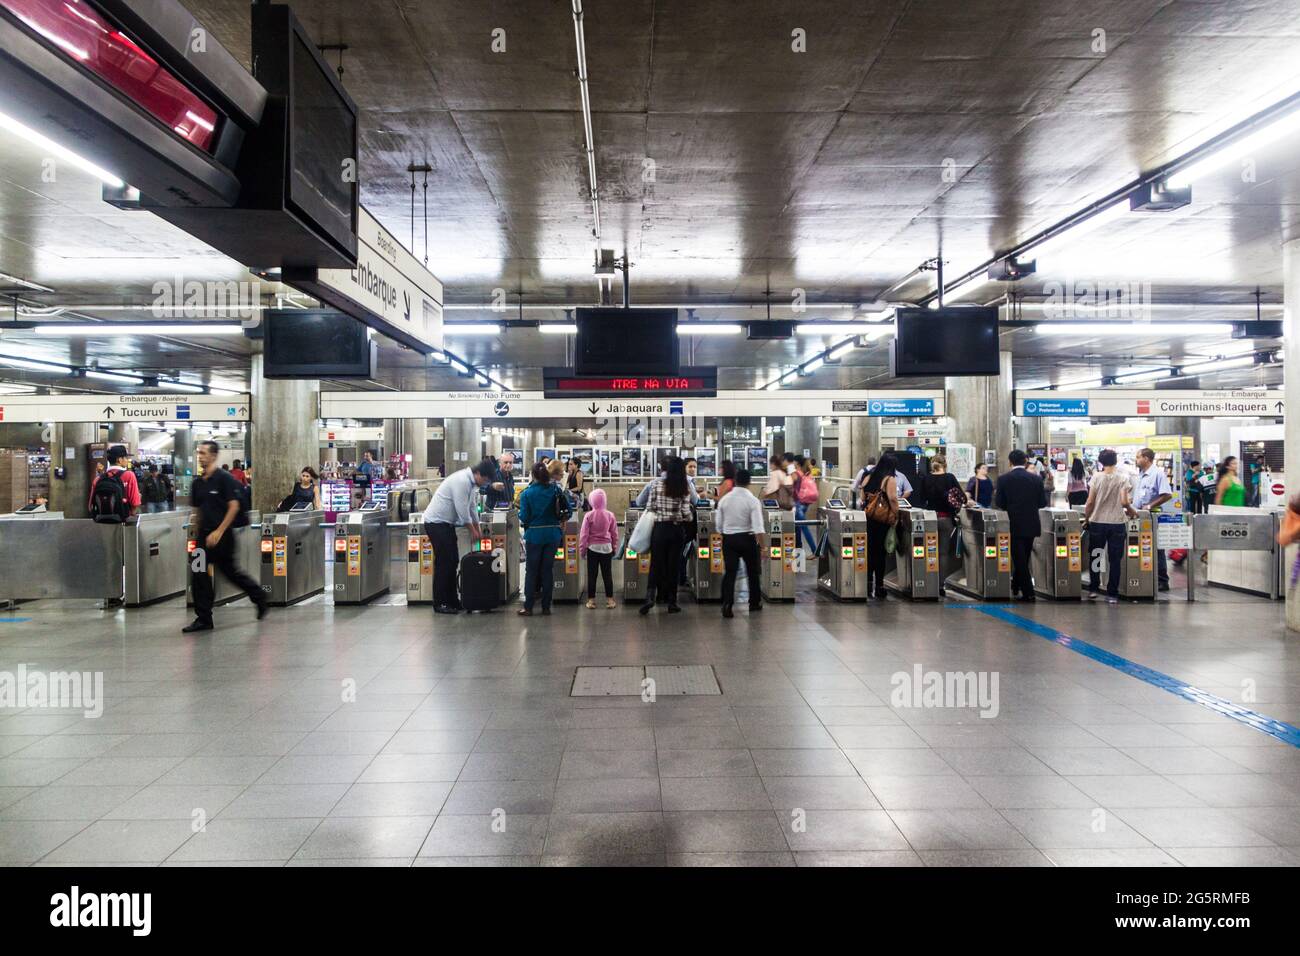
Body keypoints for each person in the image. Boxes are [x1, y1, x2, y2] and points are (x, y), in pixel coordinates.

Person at [183, 439, 266, 633]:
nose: (200, 456)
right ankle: (203, 618)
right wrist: (195, 534)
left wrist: (219, 531)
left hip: (223, 537)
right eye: (199, 453)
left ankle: (258, 596)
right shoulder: (197, 483)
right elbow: (197, 510)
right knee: (198, 575)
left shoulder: (224, 479)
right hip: (203, 538)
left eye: (203, 453)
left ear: (213, 456)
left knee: (230, 573)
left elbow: (234, 506)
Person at [421, 458, 493, 614]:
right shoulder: (462, 481)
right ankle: (440, 603)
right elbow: (462, 511)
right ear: (478, 473)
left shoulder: (472, 484)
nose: (485, 483)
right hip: (436, 523)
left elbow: (472, 507)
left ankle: (453, 600)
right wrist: (472, 530)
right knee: (444, 563)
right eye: (485, 480)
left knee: (453, 561)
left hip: (446, 525)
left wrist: (478, 526)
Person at [639, 456, 693, 615]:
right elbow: (686, 513)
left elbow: (650, 507)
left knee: (655, 564)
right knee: (673, 567)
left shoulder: (656, 484)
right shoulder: (684, 486)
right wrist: (687, 517)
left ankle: (650, 597)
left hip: (659, 530)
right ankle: (672, 602)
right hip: (676, 531)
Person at [1083, 449, 1138, 604]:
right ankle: (1112, 594)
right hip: (1117, 523)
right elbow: (1125, 502)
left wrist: (1087, 518)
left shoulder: (1096, 477)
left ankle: (1093, 589)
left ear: (1101, 462)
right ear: (1115, 461)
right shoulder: (1123, 478)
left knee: (1096, 555)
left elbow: (1090, 502)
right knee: (1115, 560)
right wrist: (1133, 512)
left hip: (1098, 522)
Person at [994, 449, 1048, 602]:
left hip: (1013, 523)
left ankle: (1028, 592)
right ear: (1025, 462)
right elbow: (1042, 503)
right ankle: (1016, 585)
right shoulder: (1036, 479)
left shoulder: (1003, 479)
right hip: (1031, 523)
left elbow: (1000, 503)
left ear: (1010, 462)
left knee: (1019, 559)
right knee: (1023, 557)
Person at [517, 461, 565, 616]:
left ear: (533, 475)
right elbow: (568, 511)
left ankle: (529, 607)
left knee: (531, 571)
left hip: (534, 535)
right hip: (553, 535)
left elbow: (524, 517)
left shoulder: (527, 493)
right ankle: (546, 607)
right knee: (547, 570)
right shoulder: (556, 490)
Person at [715, 468, 765, 618]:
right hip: (748, 539)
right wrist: (763, 547)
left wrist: (726, 533)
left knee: (730, 572)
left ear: (735, 481)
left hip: (729, 539)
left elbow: (718, 525)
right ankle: (754, 603)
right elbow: (758, 526)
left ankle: (727, 604)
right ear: (749, 483)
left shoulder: (725, 499)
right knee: (753, 572)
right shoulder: (753, 501)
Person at [923, 455, 967, 592]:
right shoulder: (950, 478)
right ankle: (941, 585)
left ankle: (928, 582)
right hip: (946, 519)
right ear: (945, 464)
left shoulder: (926, 478)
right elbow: (963, 498)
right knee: (943, 553)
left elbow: (921, 499)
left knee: (929, 551)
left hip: (929, 520)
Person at [1133, 447, 1173, 592]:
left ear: (1146, 458)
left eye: (1138, 457)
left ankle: (1162, 580)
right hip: (1138, 516)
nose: (1136, 460)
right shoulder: (1141, 474)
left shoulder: (1157, 474)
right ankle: (1147, 577)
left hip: (1151, 516)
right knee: (1142, 547)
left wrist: (1150, 505)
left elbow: (1167, 494)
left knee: (1156, 548)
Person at [860, 453, 900, 600]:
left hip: (868, 519)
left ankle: (868, 584)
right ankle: (879, 587)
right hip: (881, 521)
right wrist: (897, 515)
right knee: (880, 554)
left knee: (869, 552)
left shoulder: (868, 476)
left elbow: (862, 498)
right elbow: (893, 499)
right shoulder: (889, 479)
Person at [579, 487, 618, 609]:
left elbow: (584, 535)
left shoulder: (588, 515)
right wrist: (614, 547)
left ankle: (591, 600)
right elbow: (614, 533)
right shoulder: (610, 515)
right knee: (607, 575)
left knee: (592, 575)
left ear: (592, 501)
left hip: (592, 548)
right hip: (607, 548)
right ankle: (610, 600)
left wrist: (582, 550)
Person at [88, 445, 141, 519]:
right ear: (119, 460)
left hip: (102, 521)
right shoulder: (129, 475)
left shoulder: (98, 479)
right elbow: (135, 503)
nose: (127, 460)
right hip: (123, 521)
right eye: (126, 458)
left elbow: (90, 507)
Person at [793, 457, 820, 557]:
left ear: (798, 464)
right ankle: (798, 550)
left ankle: (814, 551)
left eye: (794, 462)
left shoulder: (798, 473)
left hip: (800, 503)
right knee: (798, 526)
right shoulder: (808, 473)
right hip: (806, 502)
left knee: (803, 527)